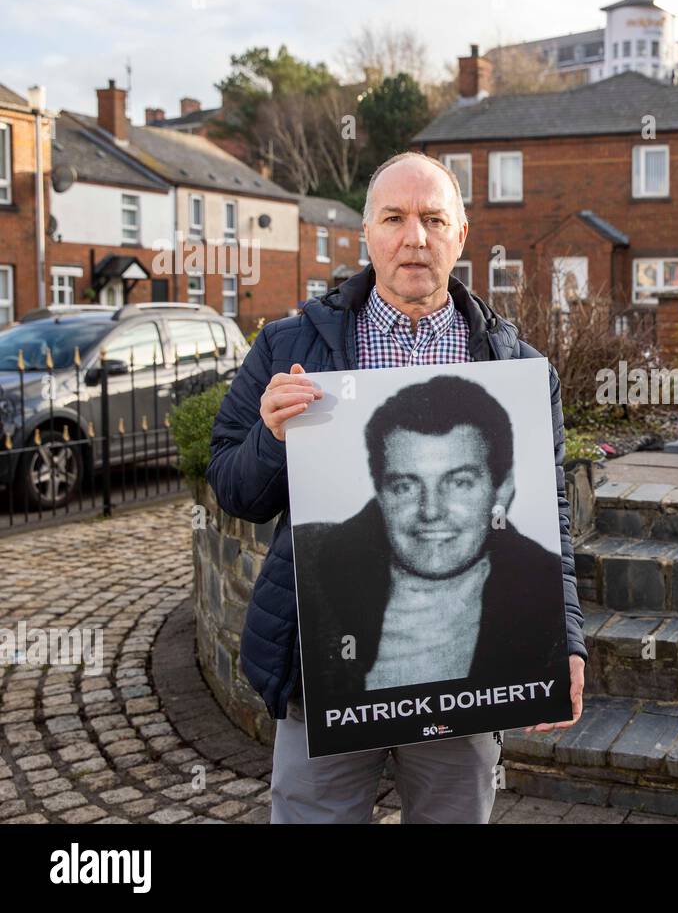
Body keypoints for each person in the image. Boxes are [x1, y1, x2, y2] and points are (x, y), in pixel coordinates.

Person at [206, 152, 586, 824]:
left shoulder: (517, 368)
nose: (416, 237)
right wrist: (270, 441)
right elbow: (235, 490)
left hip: (472, 677)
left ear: (461, 235)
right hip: (325, 667)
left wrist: (567, 638)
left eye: (434, 219)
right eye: (395, 218)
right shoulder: (291, 346)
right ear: (368, 235)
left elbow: (549, 512)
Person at [293, 374, 569, 698]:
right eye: (405, 486)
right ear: (381, 494)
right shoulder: (310, 564)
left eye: (459, 482)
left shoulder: (548, 593)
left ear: (502, 491)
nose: (431, 511)